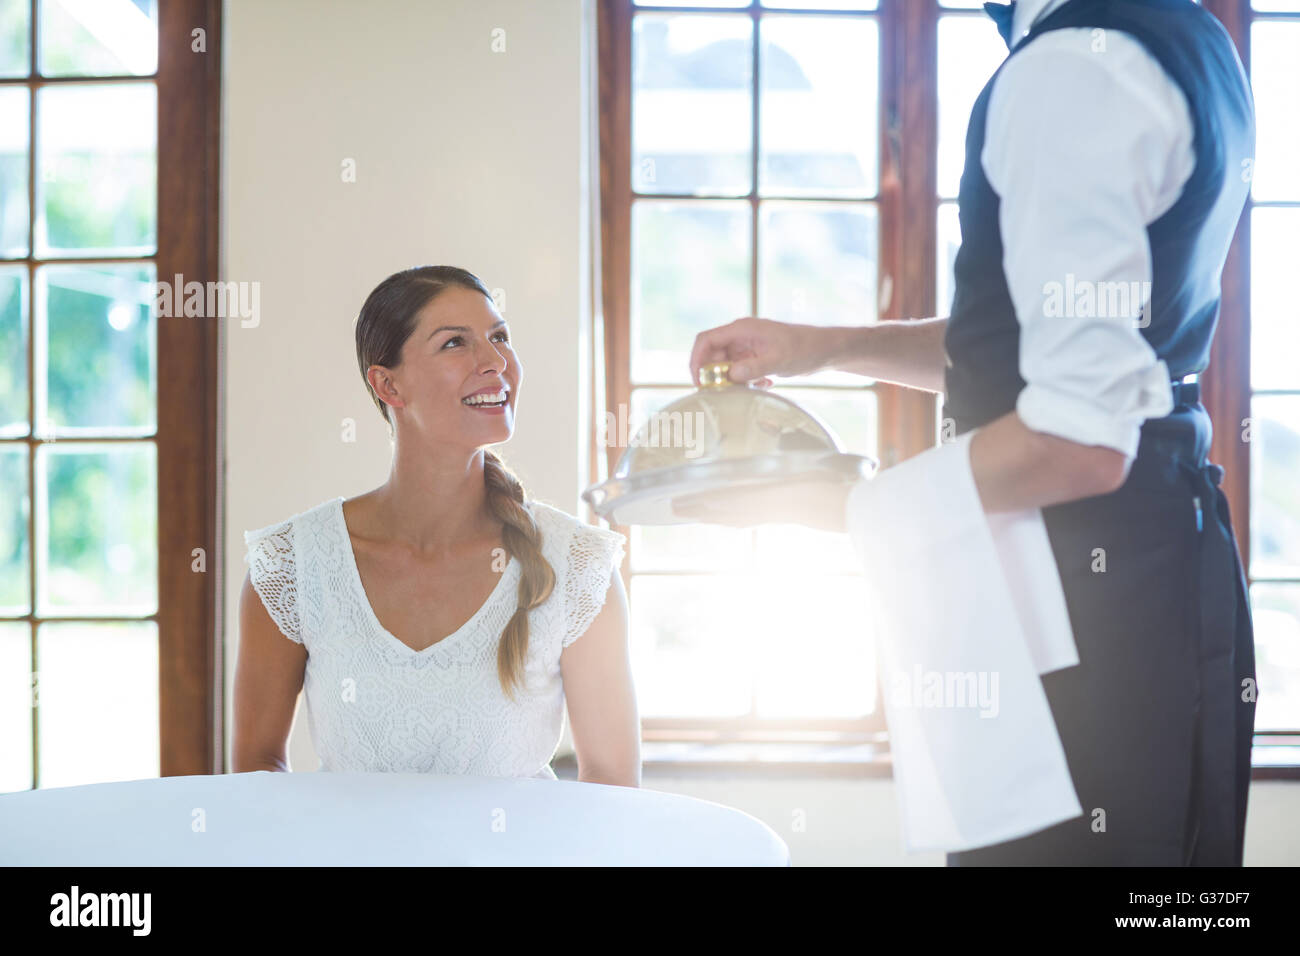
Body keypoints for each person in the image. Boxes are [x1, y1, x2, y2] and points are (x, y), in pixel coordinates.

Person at [684, 0, 1257, 865]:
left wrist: (839, 503)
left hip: (1077, 601)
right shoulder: (1188, 36)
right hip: (1158, 568)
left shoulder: (1069, 70)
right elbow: (1053, 350)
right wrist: (826, 346)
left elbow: (1079, 440)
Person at [233, 266, 639, 786]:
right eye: (454, 343)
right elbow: (255, 769)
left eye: (499, 338)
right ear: (388, 384)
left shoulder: (578, 566)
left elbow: (612, 782)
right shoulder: (291, 566)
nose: (496, 363)